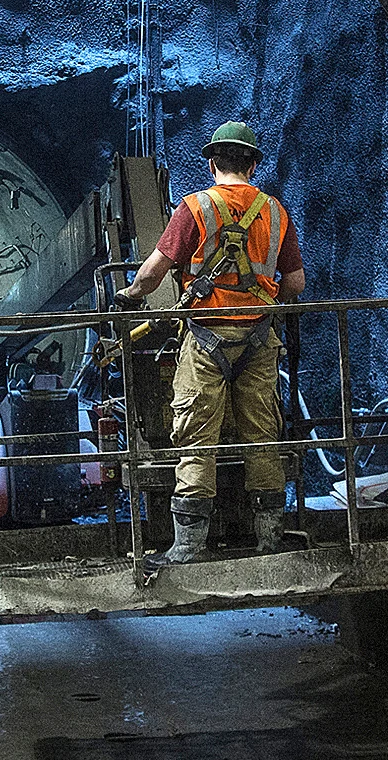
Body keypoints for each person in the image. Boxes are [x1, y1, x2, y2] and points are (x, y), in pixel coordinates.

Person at [114, 120, 305, 564]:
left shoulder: (195, 207)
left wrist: (128, 296)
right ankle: (270, 540)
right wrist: (261, 301)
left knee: (196, 438)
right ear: (253, 163)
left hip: (205, 340)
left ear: (213, 162)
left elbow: (153, 272)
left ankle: (189, 546)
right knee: (263, 437)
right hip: (260, 340)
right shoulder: (275, 212)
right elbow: (295, 280)